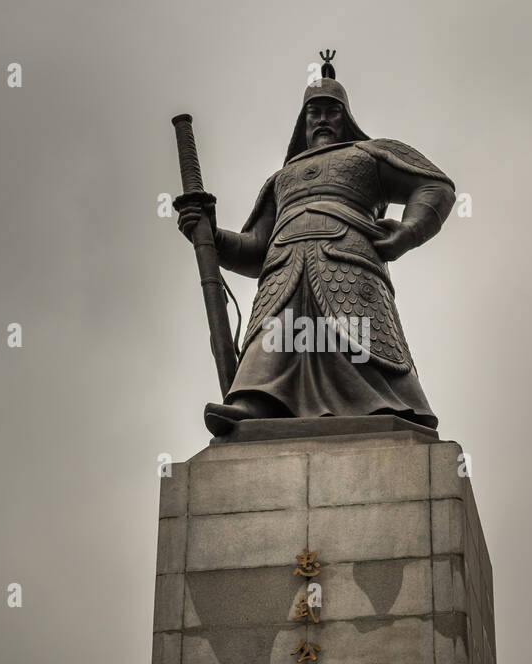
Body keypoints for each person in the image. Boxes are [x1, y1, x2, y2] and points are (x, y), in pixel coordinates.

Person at [177, 54, 456, 436]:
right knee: (275, 335)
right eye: (314, 113)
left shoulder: (368, 154)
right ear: (303, 122)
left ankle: (383, 408)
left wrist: (409, 231)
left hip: (348, 258)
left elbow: (435, 185)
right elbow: (256, 247)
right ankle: (257, 400)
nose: (322, 119)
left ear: (346, 118)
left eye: (331, 111)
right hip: (283, 266)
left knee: (359, 337)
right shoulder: (282, 179)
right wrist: (211, 234)